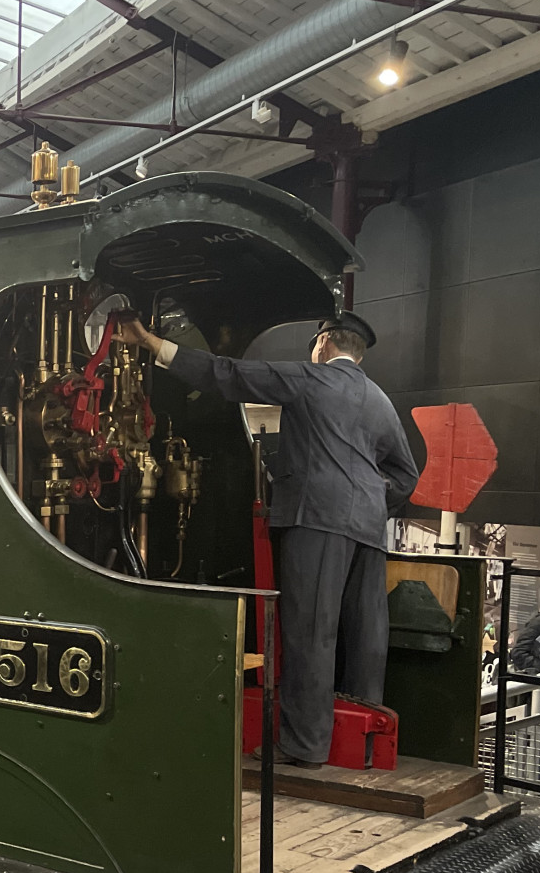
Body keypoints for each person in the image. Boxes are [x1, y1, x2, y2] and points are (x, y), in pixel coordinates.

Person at [119, 311, 421, 767]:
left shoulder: (312, 379)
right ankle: (362, 736)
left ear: (322, 345)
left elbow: (231, 374)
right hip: (369, 529)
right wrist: (372, 499)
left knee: (310, 632)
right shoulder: (379, 400)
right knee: (365, 635)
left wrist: (154, 345)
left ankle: (304, 745)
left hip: (317, 519)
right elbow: (406, 474)